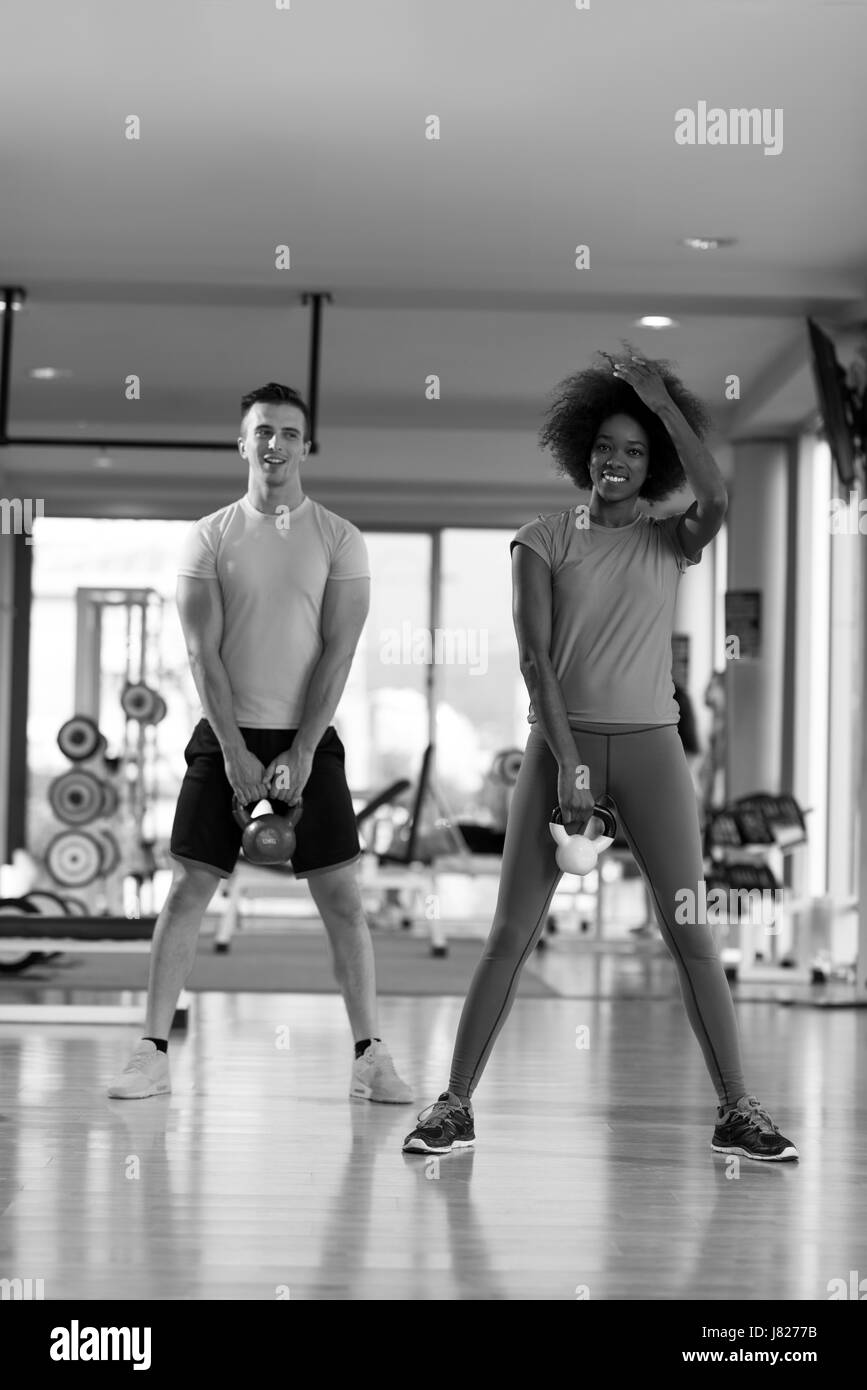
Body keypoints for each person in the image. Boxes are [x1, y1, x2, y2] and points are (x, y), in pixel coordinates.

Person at [403, 348, 797, 1162]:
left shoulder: (669, 540)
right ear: (581, 450)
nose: (614, 462)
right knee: (510, 932)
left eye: (635, 449)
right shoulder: (542, 539)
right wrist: (573, 764)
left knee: (689, 932)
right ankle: (453, 1106)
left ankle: (737, 1110)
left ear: (652, 463)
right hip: (558, 748)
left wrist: (658, 399)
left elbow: (717, 493)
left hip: (653, 750)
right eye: (605, 447)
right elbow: (535, 663)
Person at [108, 383, 412, 1105]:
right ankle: (151, 1051)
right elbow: (201, 656)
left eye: (287, 432)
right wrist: (235, 749)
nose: (274, 443)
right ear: (241, 443)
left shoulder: (339, 537)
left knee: (342, 898)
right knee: (187, 889)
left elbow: (338, 654)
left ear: (305, 445)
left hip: (309, 735)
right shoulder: (209, 536)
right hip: (224, 733)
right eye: (261, 431)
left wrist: (304, 751)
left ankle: (371, 1056)